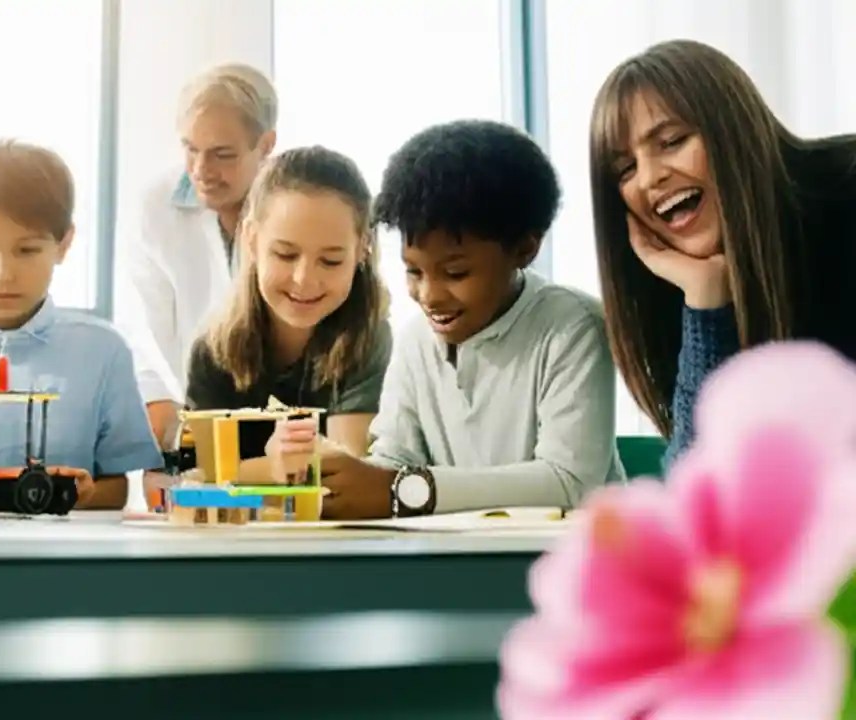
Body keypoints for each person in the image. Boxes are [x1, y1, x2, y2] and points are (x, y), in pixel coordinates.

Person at [274, 120, 623, 519]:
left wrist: (405, 489)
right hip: (456, 568)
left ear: (525, 249)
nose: (430, 295)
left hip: (572, 567)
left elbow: (570, 483)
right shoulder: (416, 342)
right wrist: (331, 469)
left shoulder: (572, 329)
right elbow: (393, 461)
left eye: (456, 273)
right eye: (414, 271)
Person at [589, 39, 856, 467]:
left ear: (733, 130)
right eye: (625, 169)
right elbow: (699, 488)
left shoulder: (846, 186)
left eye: (672, 141)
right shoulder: (675, 289)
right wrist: (706, 302)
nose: (650, 177)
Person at [0, 139, 162, 509]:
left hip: (59, 556)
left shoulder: (101, 350)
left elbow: (116, 486)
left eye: (27, 250)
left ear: (64, 244)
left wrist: (82, 495)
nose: (1, 273)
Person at [185, 146, 391, 481]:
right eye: (285, 254)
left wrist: (256, 471)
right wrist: (275, 466)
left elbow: (350, 470)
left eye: (331, 261)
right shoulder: (212, 350)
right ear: (252, 240)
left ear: (362, 250)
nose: (304, 279)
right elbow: (198, 475)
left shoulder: (369, 338)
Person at [117, 62, 278, 446]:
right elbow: (146, 329)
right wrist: (168, 421)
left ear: (266, 145)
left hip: (278, 411)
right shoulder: (155, 207)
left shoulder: (291, 207)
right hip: (183, 409)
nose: (201, 170)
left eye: (223, 154)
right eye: (191, 150)